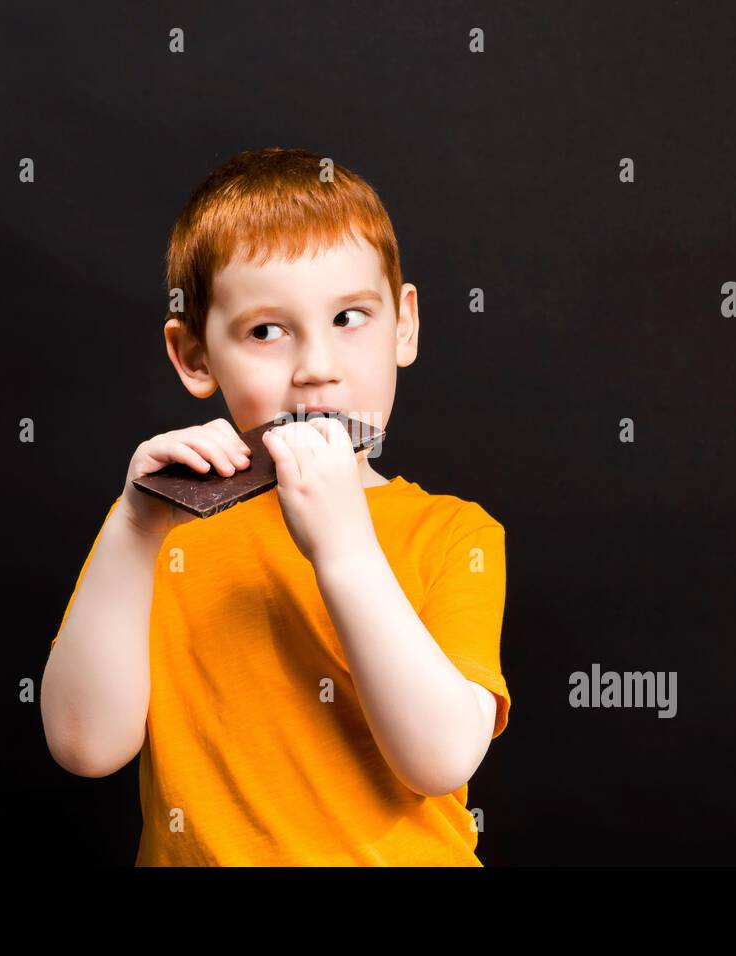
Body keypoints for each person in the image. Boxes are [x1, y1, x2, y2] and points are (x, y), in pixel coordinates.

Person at [40, 147, 510, 865]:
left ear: (404, 325)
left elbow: (442, 758)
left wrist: (345, 552)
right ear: (195, 356)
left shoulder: (453, 535)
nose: (317, 365)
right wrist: (133, 526)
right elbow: (84, 746)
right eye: (266, 331)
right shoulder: (164, 531)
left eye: (350, 317)